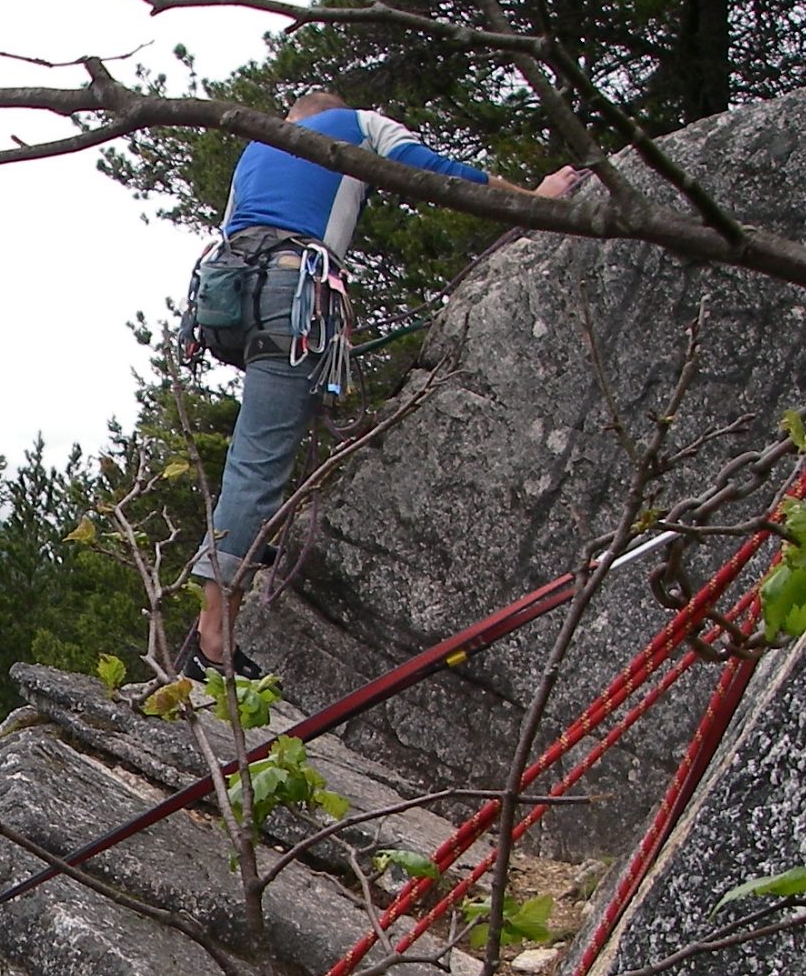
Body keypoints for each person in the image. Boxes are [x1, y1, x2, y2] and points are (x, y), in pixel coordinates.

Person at [188, 91, 579, 674]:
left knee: (266, 444)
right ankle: (212, 640)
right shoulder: (359, 125)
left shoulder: (257, 147)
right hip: (291, 293)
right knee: (259, 461)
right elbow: (441, 176)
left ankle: (238, 569)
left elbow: (240, 228)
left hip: (227, 298)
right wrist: (536, 201)